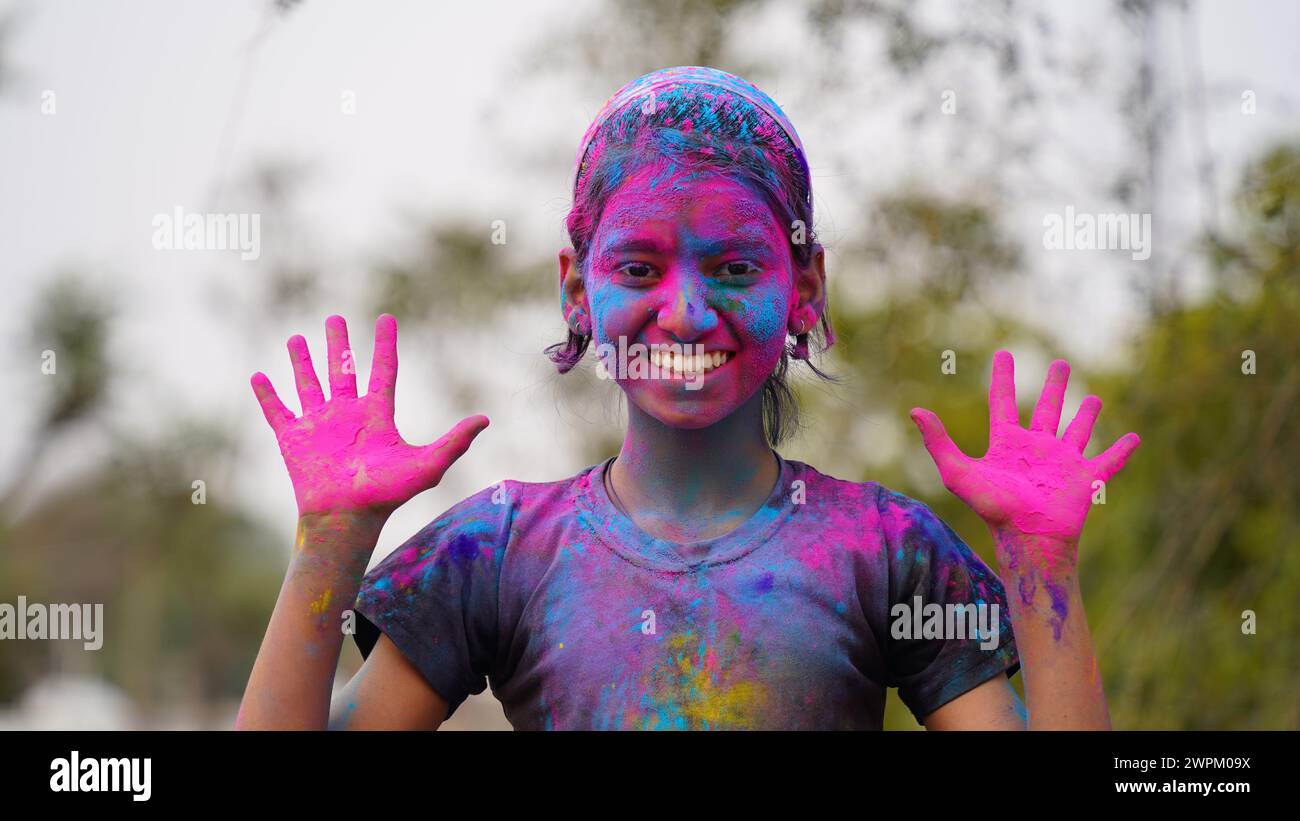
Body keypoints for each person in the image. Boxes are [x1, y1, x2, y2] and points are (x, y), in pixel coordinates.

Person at [235, 66, 1139, 730]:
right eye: (638, 266)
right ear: (577, 290)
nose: (687, 313)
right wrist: (331, 541)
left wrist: (1038, 563)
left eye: (737, 266)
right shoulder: (500, 553)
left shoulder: (882, 550)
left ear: (806, 286)